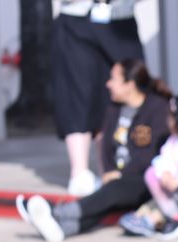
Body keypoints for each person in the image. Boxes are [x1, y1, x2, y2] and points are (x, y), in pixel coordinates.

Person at [18, 59, 170, 242]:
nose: (108, 84)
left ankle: (56, 211)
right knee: (104, 199)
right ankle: (62, 229)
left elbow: (151, 155)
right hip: (116, 180)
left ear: (129, 84)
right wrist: (108, 172)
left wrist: (121, 174)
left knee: (113, 190)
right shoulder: (114, 109)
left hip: (144, 181)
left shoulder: (157, 108)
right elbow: (105, 147)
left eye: (113, 79)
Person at [52, 0, 146, 197]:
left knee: (129, 91)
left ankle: (111, 170)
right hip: (76, 17)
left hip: (120, 18)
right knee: (78, 93)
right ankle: (79, 173)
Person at [119, 93, 178, 239]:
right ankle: (175, 217)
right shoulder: (174, 141)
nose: (167, 121)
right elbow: (164, 159)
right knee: (152, 173)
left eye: (171, 118)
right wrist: (166, 173)